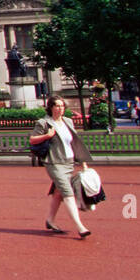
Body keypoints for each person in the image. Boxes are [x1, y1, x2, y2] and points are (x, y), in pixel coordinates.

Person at [32, 95, 93, 238]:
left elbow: (75, 143)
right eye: (57, 106)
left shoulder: (68, 121)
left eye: (62, 106)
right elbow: (32, 140)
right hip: (54, 163)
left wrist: (83, 162)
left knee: (58, 193)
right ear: (51, 107)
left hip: (69, 162)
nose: (60, 109)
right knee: (67, 192)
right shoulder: (44, 123)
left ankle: (50, 220)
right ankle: (80, 226)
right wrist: (47, 136)